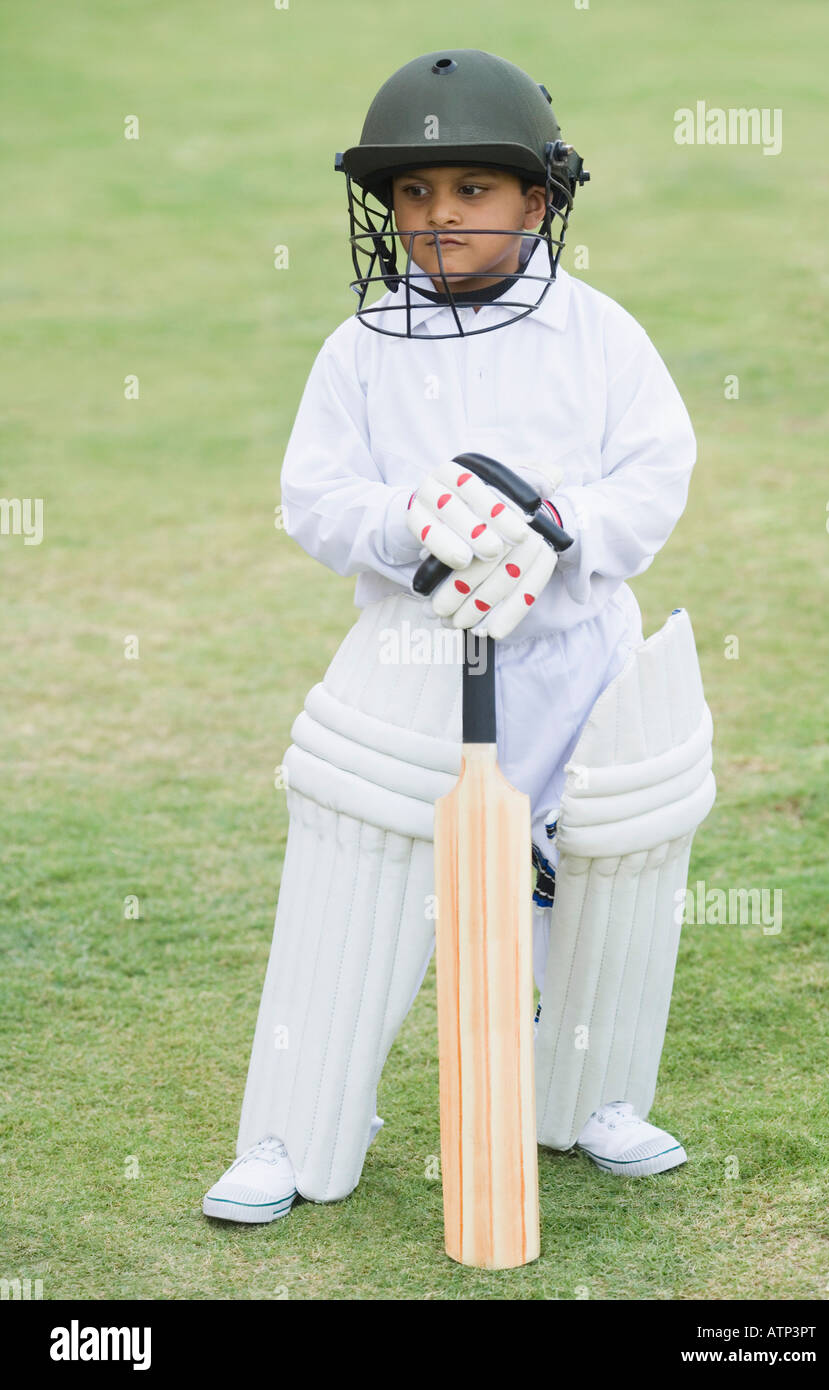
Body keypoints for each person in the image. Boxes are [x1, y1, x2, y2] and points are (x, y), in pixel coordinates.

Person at [203, 48, 715, 1225]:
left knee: (594, 876)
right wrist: (409, 521)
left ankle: (590, 1094)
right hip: (413, 667)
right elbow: (314, 497)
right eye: (414, 192)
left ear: (536, 201)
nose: (438, 215)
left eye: (470, 189)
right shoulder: (361, 346)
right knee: (356, 884)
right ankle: (297, 1123)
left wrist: (555, 529)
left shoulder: (598, 334)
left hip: (576, 663)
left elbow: (655, 472)